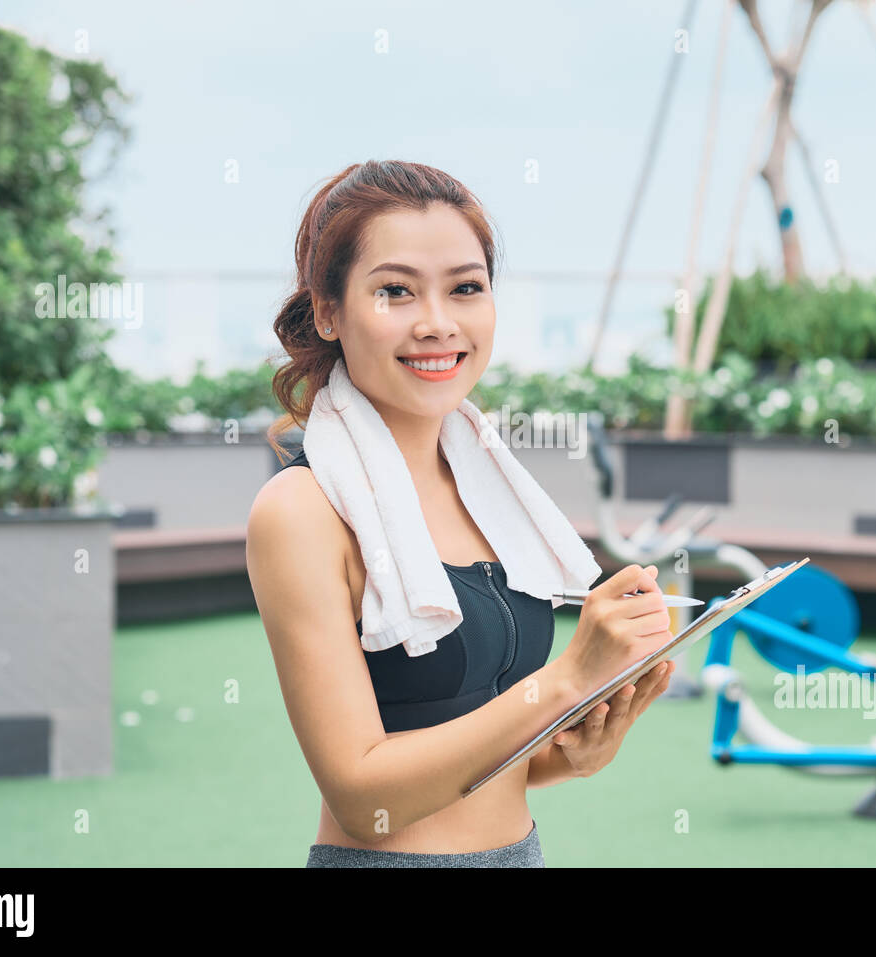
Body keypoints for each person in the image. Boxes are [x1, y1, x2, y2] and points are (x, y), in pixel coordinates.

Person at [246, 159, 676, 868]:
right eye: (395, 291)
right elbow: (362, 795)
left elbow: (488, 761)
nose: (437, 323)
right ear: (328, 311)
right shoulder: (302, 509)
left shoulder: (489, 489)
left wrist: (575, 747)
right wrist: (561, 681)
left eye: (466, 288)